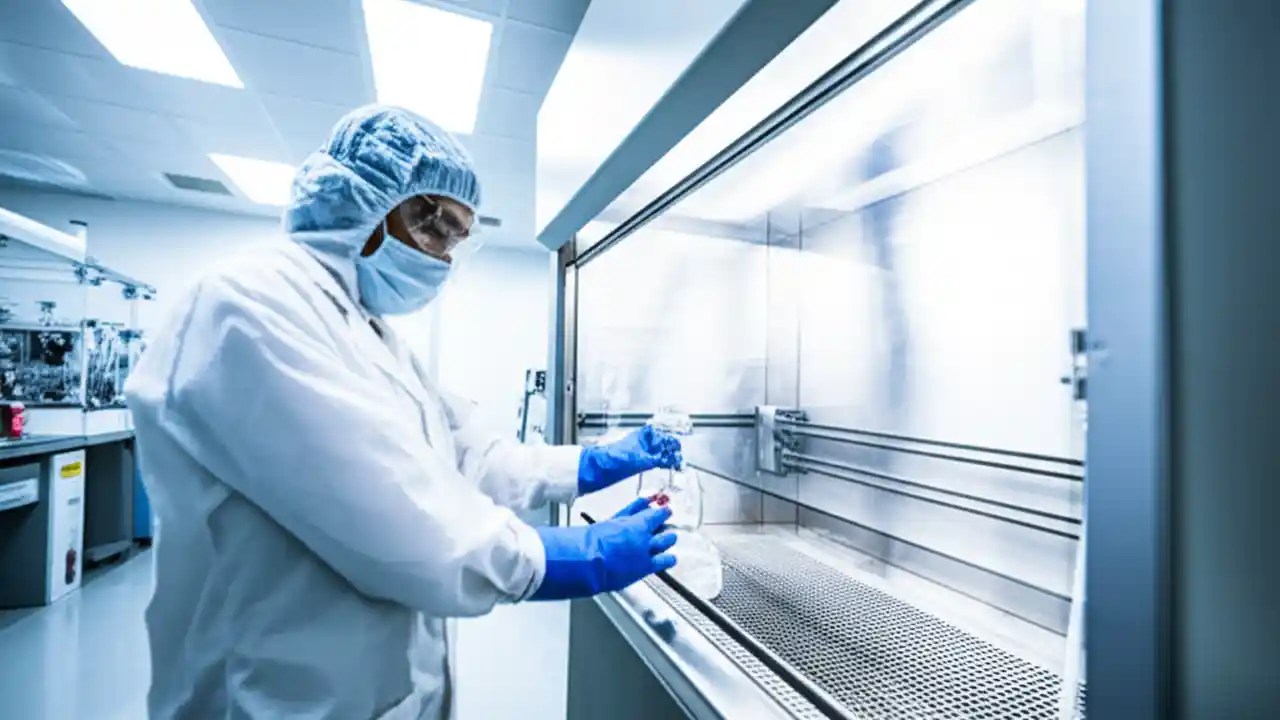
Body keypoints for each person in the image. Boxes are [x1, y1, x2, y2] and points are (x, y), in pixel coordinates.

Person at [125, 105, 682, 719]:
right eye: (435, 229)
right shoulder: (248, 305)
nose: (443, 259)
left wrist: (593, 464)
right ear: (366, 201)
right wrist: (563, 556)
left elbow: (465, 457)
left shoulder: (366, 330)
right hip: (272, 698)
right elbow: (398, 515)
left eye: (456, 241)